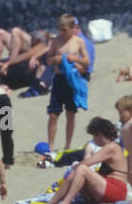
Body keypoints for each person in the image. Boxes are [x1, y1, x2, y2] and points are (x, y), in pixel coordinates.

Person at [45, 117, 132, 204]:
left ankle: (66, 203)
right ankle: (51, 203)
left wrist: (76, 166)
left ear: (100, 135)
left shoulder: (111, 147)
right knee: (74, 174)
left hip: (117, 190)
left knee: (82, 169)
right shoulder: (111, 146)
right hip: (107, 188)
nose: (93, 139)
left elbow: (87, 163)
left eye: (94, 136)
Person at [35, 15, 91, 152]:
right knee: (53, 114)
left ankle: (67, 145)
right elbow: (47, 60)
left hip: (72, 80)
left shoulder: (78, 42)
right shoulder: (55, 41)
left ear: (72, 28)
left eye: (64, 29)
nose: (62, 32)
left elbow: (87, 61)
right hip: (59, 79)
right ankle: (51, 146)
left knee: (70, 113)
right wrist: (55, 59)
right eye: (60, 29)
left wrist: (75, 58)